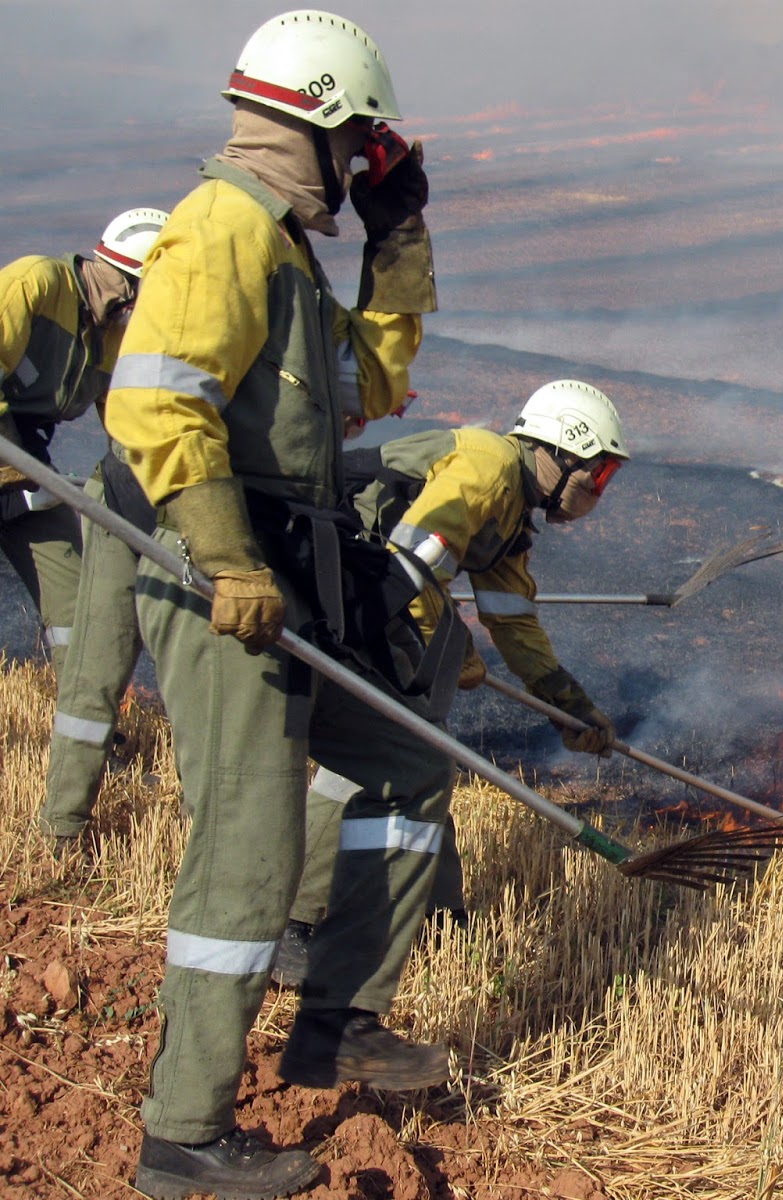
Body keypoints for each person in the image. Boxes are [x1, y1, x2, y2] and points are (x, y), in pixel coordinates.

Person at [102, 11, 452, 1198]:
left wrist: (398, 235)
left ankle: (336, 1020)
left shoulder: (287, 256)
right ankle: (182, 1136)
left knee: (401, 766)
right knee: (249, 856)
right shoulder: (219, 230)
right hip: (221, 578)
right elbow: (155, 403)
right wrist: (225, 558)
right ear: (314, 121)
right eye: (357, 148)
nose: (360, 166)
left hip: (279, 576)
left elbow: (376, 382)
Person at [274, 379, 628, 986]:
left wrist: (570, 707)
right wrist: (450, 645)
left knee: (424, 748)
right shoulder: (489, 465)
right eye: (597, 474)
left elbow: (514, 624)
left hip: (365, 586)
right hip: (331, 572)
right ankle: (290, 924)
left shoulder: (513, 516)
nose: (598, 490)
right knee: (368, 754)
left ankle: (440, 917)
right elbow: (403, 564)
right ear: (564, 449)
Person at [0, 208, 169, 676]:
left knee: (74, 602)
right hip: (15, 462)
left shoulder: (115, 334)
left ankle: (82, 717)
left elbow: (129, 426)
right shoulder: (36, 281)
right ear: (133, 280)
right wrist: (18, 472)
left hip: (27, 467)